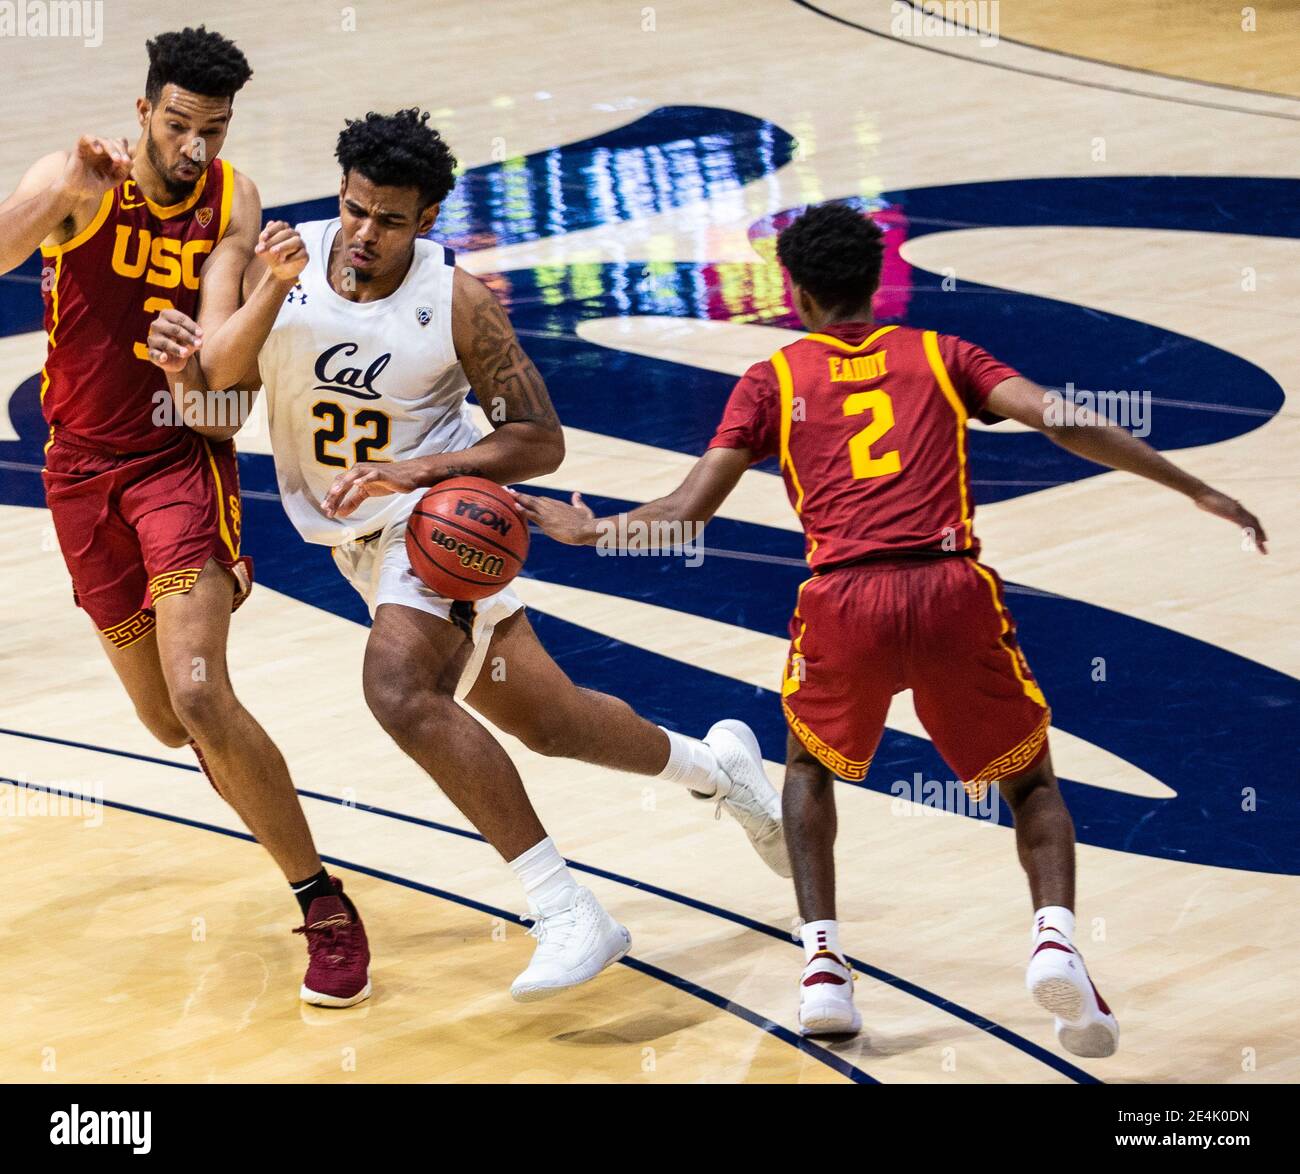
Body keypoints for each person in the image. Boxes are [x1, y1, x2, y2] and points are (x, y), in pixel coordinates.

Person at [515, 201, 1267, 1052]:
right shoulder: (943, 354)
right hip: (949, 588)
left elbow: (686, 513)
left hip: (844, 600)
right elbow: (1059, 416)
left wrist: (589, 530)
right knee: (1031, 783)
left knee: (805, 767)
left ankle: (824, 966)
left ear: (792, 289)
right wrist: (1191, 487)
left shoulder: (775, 379)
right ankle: (1054, 936)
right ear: (878, 281)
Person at [145, 109, 788, 1002]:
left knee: (398, 690)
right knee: (552, 723)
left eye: (393, 219)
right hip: (355, 547)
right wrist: (185, 372)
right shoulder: (281, 272)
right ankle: (720, 771)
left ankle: (565, 910)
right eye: (357, 209)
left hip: (437, 524)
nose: (367, 234)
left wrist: (418, 467)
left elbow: (540, 440)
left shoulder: (456, 302)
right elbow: (219, 415)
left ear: (430, 218)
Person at [0, 26, 372, 1008]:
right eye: (178, 126)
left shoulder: (231, 198)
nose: (194, 147)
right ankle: (273, 823)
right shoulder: (79, 183)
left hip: (178, 460)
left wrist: (191, 356)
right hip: (79, 474)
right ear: (143, 112)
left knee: (201, 692)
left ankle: (322, 900)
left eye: (213, 128)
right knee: (168, 722)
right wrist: (46, 198)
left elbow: (218, 387)